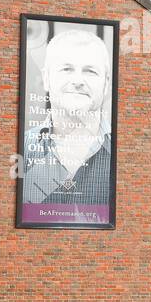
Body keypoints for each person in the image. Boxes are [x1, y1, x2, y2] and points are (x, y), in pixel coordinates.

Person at [21, 29, 113, 216]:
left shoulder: (122, 152)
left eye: (90, 71)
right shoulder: (21, 146)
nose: (78, 80)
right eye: (66, 69)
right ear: (46, 78)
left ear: (106, 84)